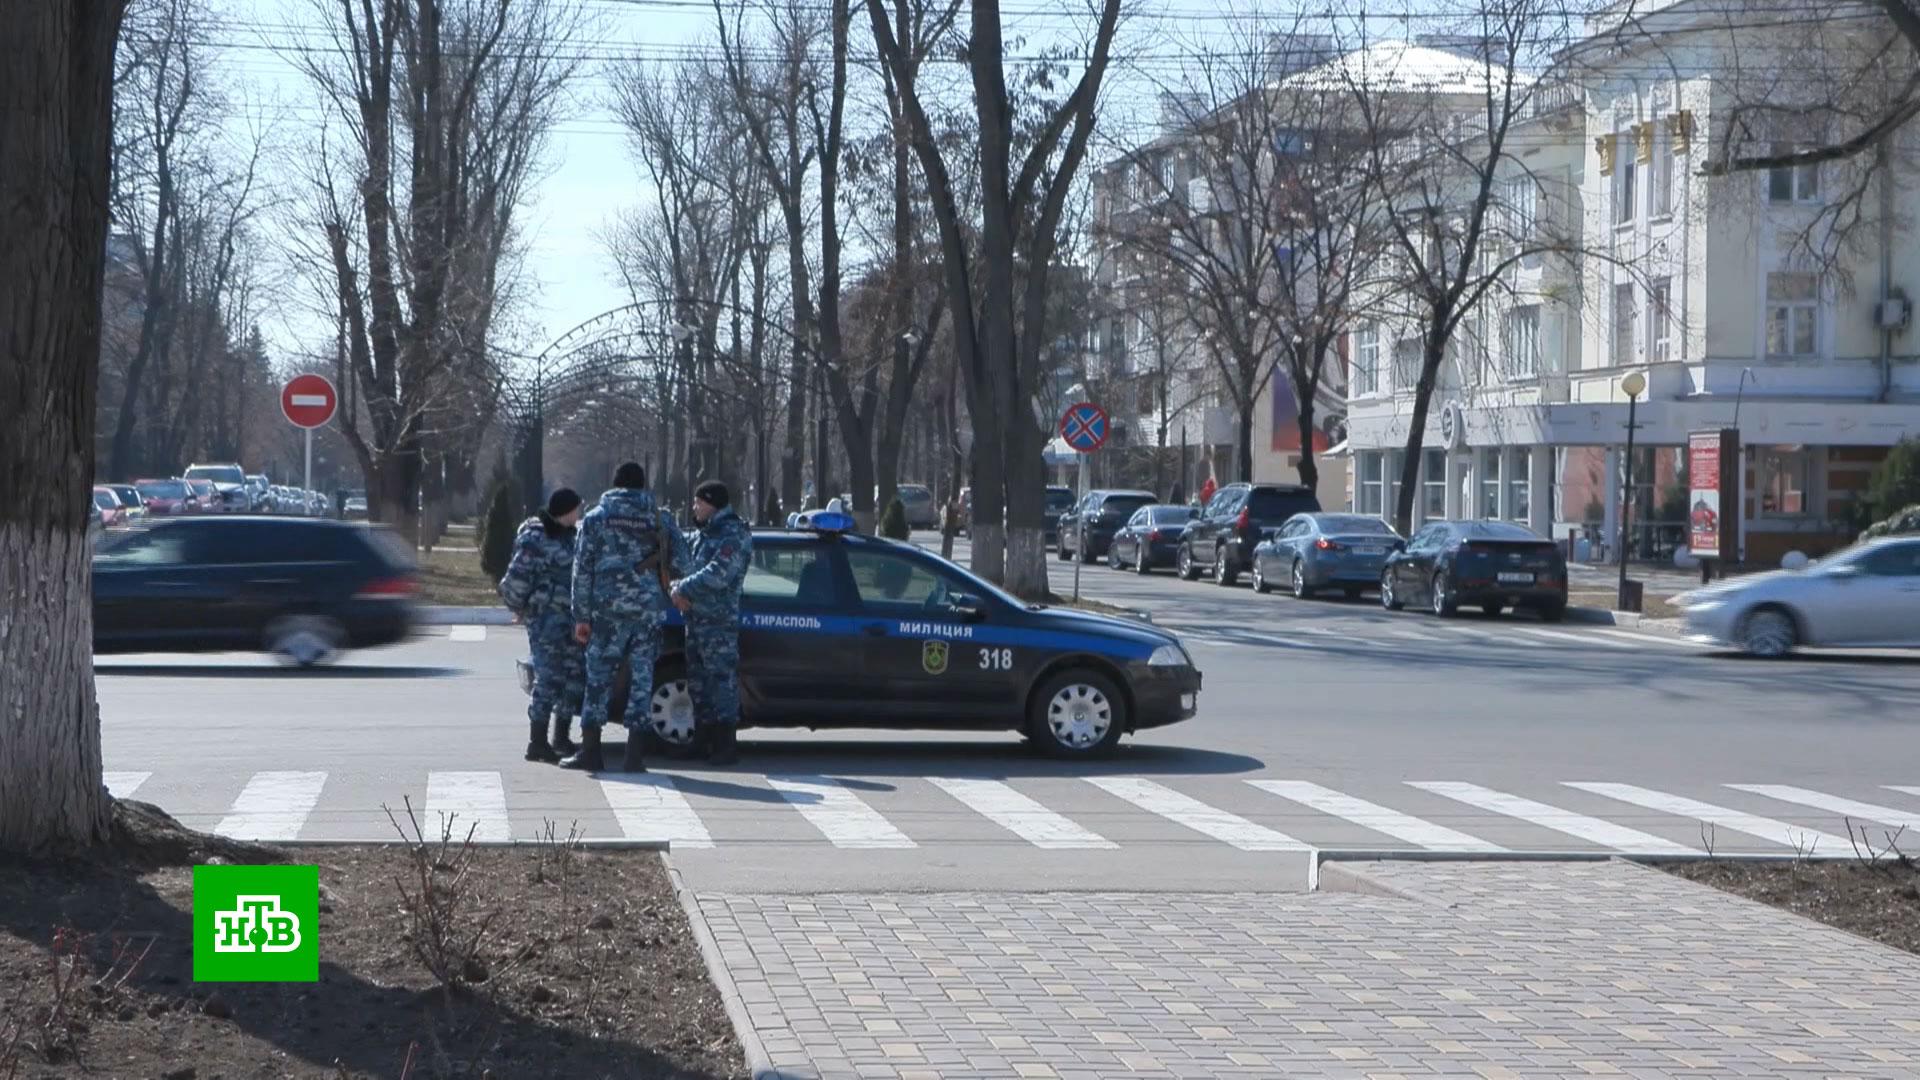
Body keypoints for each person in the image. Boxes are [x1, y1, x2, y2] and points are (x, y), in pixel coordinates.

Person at [565, 462, 687, 773]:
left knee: (598, 681)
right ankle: (635, 756)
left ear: (615, 484)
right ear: (642, 486)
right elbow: (683, 564)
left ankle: (591, 752)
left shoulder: (596, 519)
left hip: (605, 612)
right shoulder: (660, 518)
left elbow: (582, 571)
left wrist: (581, 616)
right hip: (647, 612)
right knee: (642, 681)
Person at [498, 488, 587, 763]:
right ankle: (537, 742)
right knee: (548, 679)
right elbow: (515, 579)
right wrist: (519, 607)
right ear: (566, 510)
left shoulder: (573, 536)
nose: (579, 513)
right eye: (576, 508)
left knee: (573, 677)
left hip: (571, 622)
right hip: (546, 622)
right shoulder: (536, 538)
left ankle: (561, 737)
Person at [671, 480, 754, 766]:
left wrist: (682, 588)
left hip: (718, 623)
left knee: (721, 683)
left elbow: (718, 574)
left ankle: (725, 745)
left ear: (711, 503)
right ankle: (701, 740)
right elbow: (684, 568)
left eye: (698, 502)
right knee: (698, 683)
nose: (694, 507)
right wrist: (676, 587)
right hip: (695, 620)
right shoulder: (704, 534)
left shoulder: (733, 534)